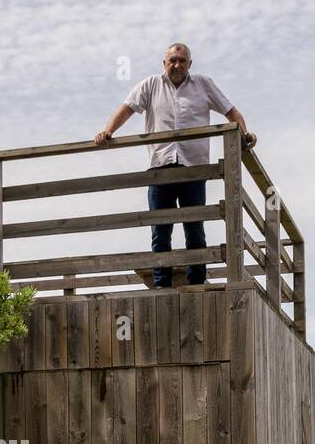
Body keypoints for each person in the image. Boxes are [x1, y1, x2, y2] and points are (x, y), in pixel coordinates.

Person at [95, 44, 256, 288]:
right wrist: (108, 131)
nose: (177, 65)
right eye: (173, 60)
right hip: (160, 167)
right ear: (164, 63)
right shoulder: (150, 85)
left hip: (194, 168)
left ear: (190, 64)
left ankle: (197, 284)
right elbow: (126, 109)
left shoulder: (203, 84)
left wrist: (244, 134)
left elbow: (231, 112)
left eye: (182, 60)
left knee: (194, 229)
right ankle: (162, 285)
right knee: (160, 231)